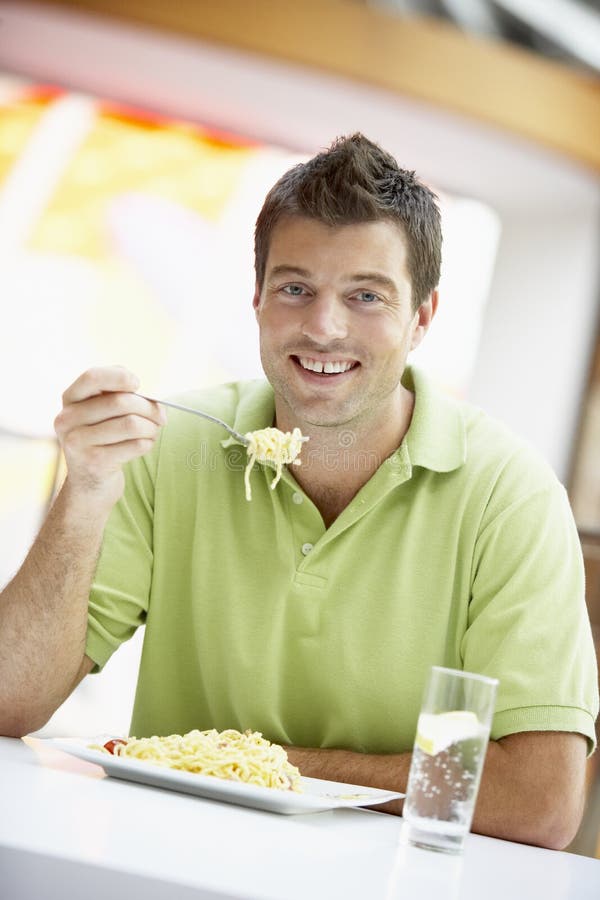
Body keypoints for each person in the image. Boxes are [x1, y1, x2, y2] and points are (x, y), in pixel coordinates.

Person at [0, 134, 597, 850]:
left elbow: (539, 801)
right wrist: (87, 490)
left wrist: (260, 767)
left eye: (366, 296)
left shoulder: (510, 495)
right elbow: (11, 701)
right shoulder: (169, 448)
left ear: (423, 319)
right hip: (166, 862)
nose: (323, 327)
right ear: (257, 300)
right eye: (295, 288)